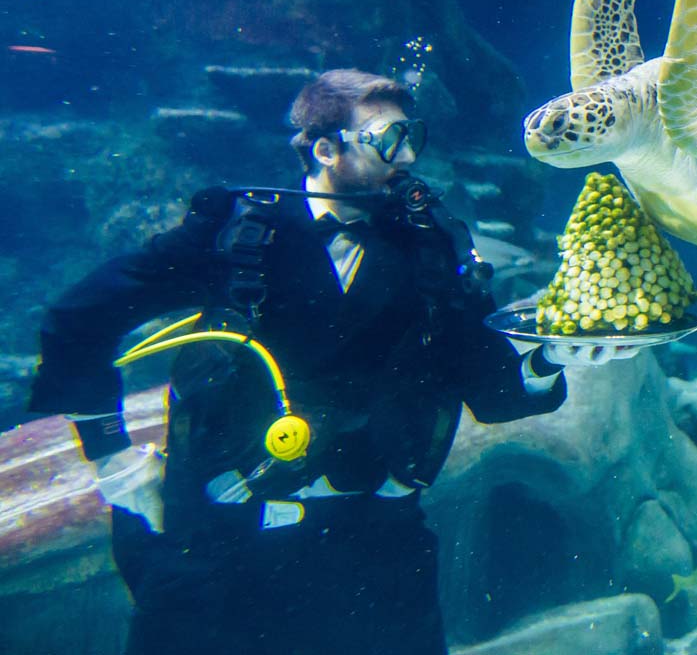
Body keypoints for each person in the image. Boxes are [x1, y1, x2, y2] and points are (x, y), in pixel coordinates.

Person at [29, 69, 633, 655]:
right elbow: (80, 318)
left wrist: (556, 355)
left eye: (413, 138)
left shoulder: (434, 250)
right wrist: (109, 456)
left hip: (379, 554)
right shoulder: (237, 235)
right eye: (388, 140)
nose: (408, 158)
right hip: (221, 553)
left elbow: (494, 391)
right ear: (325, 148)